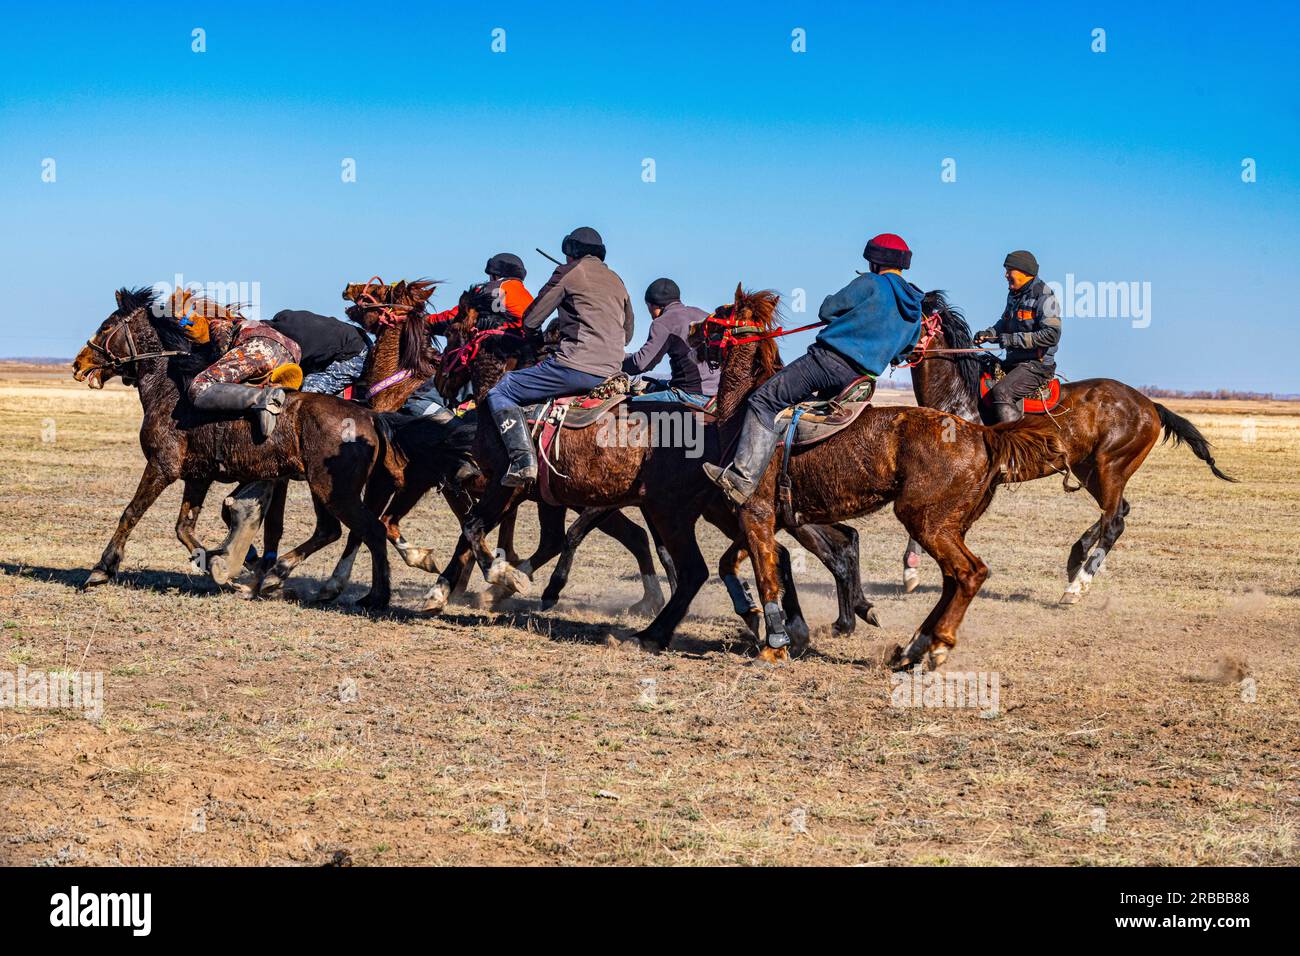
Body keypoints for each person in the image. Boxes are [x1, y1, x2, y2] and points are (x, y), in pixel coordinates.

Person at [703, 232, 924, 505]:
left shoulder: (870, 283)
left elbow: (828, 310)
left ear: (874, 261)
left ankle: (743, 477)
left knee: (763, 400)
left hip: (826, 363)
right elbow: (904, 352)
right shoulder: (914, 307)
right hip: (860, 380)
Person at [484, 227, 635, 485]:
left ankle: (522, 460)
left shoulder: (568, 272)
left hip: (574, 367)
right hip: (613, 372)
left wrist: (536, 339)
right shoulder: (616, 279)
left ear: (570, 253)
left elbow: (531, 320)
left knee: (501, 390)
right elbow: (628, 333)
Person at [180, 294, 302, 438]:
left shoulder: (217, 323)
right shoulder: (246, 323)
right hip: (292, 352)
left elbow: (221, 354)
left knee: (199, 387)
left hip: (260, 348)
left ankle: (263, 398)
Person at [973, 250, 1062, 423]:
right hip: (1014, 363)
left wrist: (1011, 340)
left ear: (1024, 271)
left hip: (1036, 367)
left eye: (1009, 270)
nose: (1006, 275)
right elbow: (1004, 323)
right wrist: (988, 334)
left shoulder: (1045, 296)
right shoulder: (1014, 295)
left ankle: (1014, 444)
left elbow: (1052, 335)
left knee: (1002, 392)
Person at [623, 277, 718, 408]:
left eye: (648, 307)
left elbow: (641, 364)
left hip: (690, 396)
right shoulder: (703, 314)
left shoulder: (663, 322)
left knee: (624, 408)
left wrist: (616, 361)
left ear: (653, 305)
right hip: (717, 396)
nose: (651, 314)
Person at [265, 309, 371, 395]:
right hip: (349, 340)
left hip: (357, 353)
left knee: (309, 390)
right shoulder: (283, 317)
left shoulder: (294, 345)